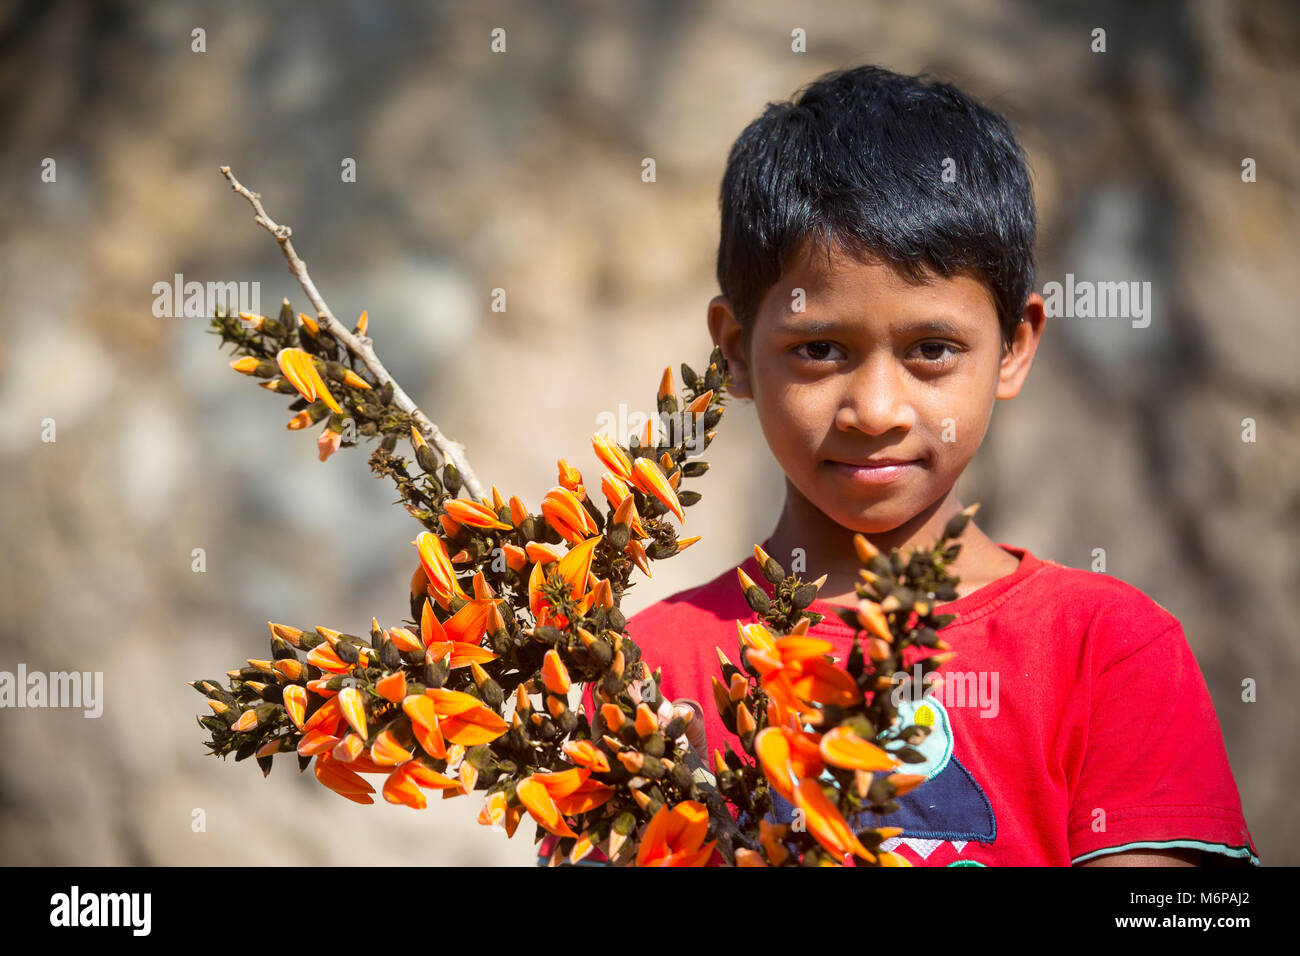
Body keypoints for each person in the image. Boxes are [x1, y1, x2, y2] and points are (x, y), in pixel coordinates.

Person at [538, 64, 1258, 867]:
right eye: (819, 350)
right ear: (736, 353)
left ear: (1014, 348)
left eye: (932, 350)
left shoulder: (1106, 652)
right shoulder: (645, 673)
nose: (876, 410)